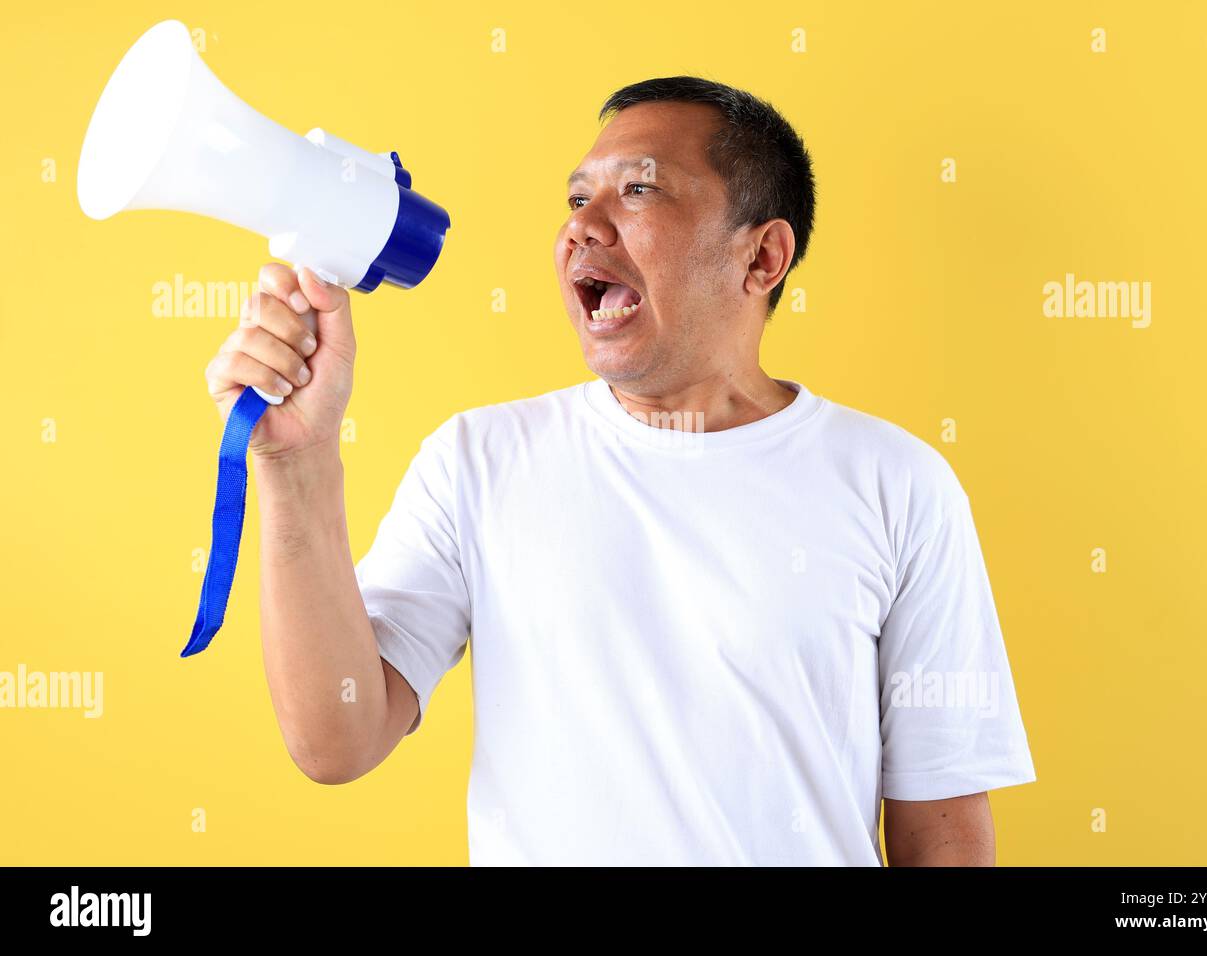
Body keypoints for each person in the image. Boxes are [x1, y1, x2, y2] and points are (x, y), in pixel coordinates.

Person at [204, 76, 1036, 866]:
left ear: (762, 258)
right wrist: (296, 463)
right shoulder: (478, 461)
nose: (582, 227)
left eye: (639, 191)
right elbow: (335, 741)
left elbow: (945, 823)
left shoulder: (899, 484)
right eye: (576, 199)